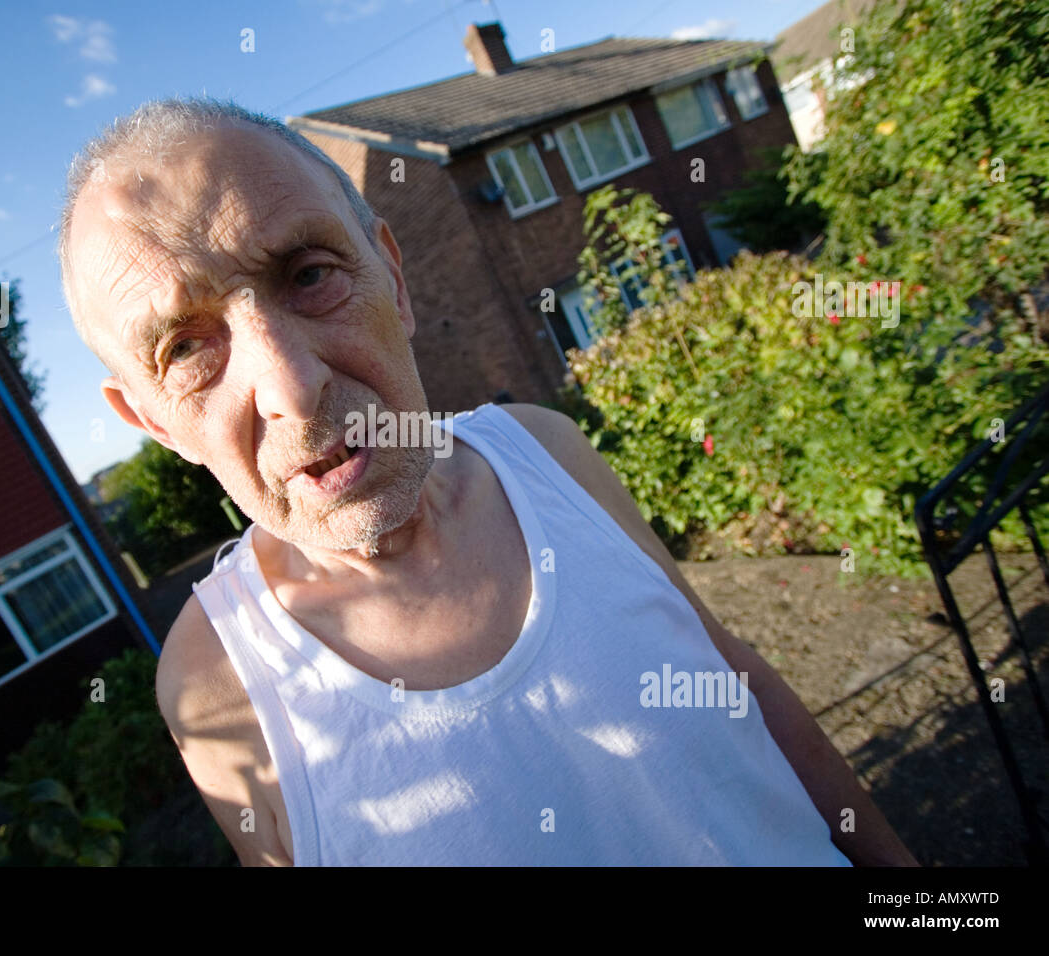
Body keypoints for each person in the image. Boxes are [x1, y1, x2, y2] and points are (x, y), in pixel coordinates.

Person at [57, 97, 918, 867]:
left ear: (391, 276)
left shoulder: (552, 456)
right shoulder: (216, 683)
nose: (291, 386)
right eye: (187, 347)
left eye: (310, 274)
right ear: (157, 423)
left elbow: (739, 682)